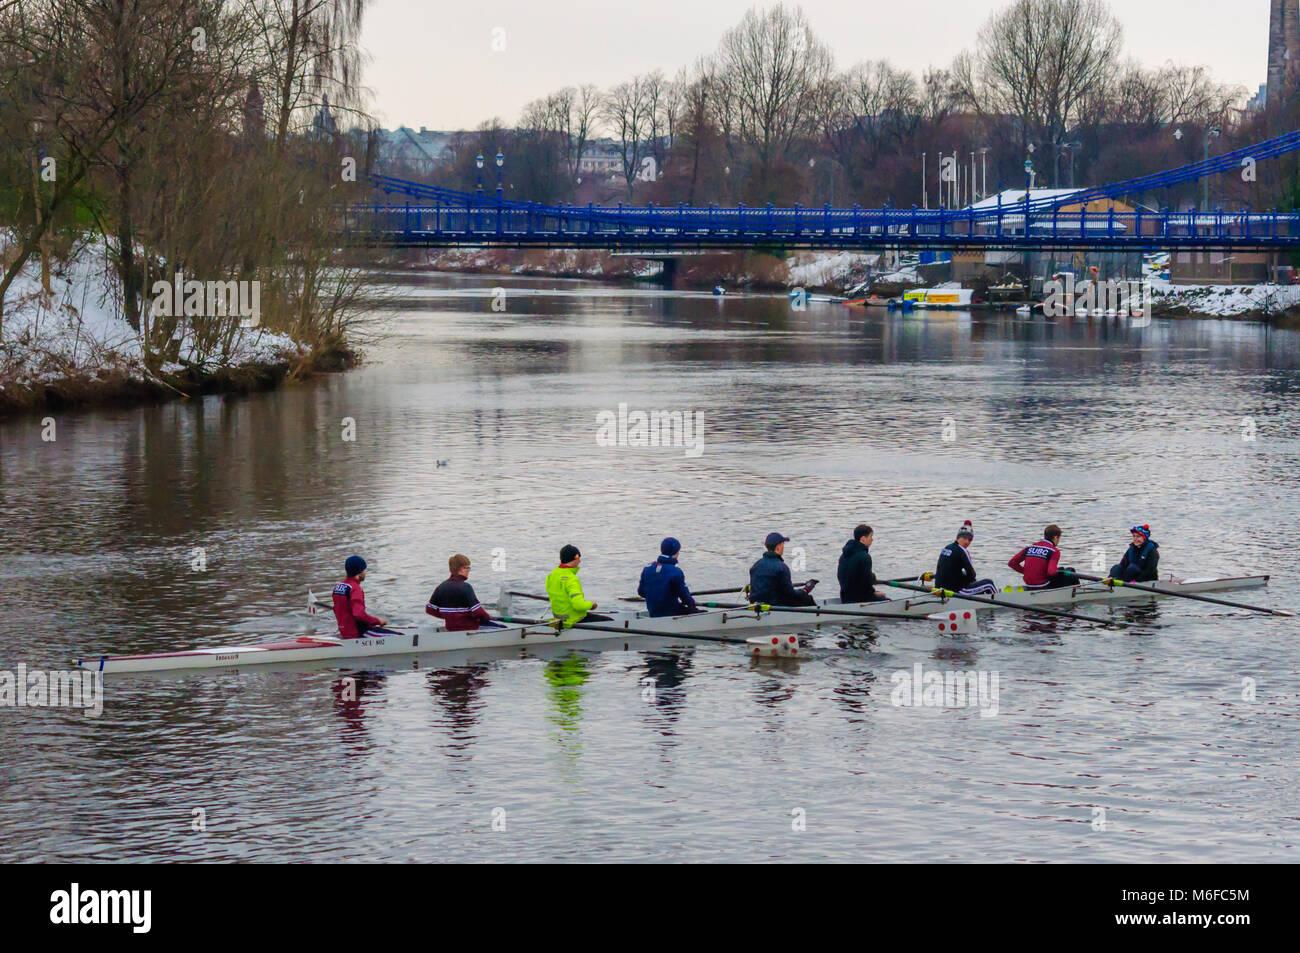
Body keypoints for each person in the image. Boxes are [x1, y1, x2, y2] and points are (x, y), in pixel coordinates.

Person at [426, 554, 504, 631]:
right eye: (468, 568)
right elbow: (477, 612)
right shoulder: (466, 587)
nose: (469, 571)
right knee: (503, 628)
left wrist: (448, 616)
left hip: (451, 628)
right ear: (462, 569)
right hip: (471, 628)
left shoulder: (441, 587)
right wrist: (487, 616)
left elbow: (429, 610)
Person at [546, 545, 612, 627]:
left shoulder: (552, 575)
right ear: (574, 558)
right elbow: (578, 605)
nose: (580, 561)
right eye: (578, 558)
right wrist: (592, 605)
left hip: (559, 619)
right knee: (610, 622)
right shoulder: (571, 579)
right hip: (574, 621)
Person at [331, 555, 395, 639]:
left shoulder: (338, 587)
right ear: (359, 572)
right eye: (364, 569)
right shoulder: (355, 589)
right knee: (400, 637)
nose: (365, 572)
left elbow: (337, 610)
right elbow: (359, 614)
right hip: (358, 634)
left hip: (345, 632)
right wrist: (378, 621)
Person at [748, 532, 817, 607]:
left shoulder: (755, 566)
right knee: (807, 599)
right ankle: (819, 615)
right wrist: (805, 590)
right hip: (776, 607)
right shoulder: (782, 567)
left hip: (756, 606)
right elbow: (790, 594)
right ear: (778, 547)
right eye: (782, 544)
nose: (783, 547)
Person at [638, 537, 701, 617]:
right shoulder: (675, 572)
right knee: (700, 612)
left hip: (653, 612)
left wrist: (656, 594)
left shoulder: (647, 568)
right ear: (676, 552)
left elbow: (641, 592)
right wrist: (692, 603)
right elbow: (684, 596)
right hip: (671, 614)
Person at [934, 521, 997, 597]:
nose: (967, 542)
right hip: (956, 592)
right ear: (958, 537)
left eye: (970, 540)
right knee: (989, 584)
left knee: (967, 578)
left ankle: (984, 602)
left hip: (940, 589)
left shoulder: (947, 548)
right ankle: (1001, 602)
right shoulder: (962, 551)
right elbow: (972, 575)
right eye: (964, 538)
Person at [1008, 524, 1080, 590]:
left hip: (1029, 584)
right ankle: (1078, 591)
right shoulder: (1054, 551)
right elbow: (1051, 573)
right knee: (1070, 571)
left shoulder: (1030, 547)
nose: (1058, 541)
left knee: (1062, 570)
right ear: (1055, 537)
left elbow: (1012, 563)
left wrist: (1027, 572)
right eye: (1059, 539)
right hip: (1043, 586)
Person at [837, 524, 890, 603]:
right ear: (863, 539)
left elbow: (841, 576)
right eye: (870, 537)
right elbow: (866, 581)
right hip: (860, 599)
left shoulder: (844, 555)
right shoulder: (864, 556)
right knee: (887, 601)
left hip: (845, 597)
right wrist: (873, 593)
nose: (872, 540)